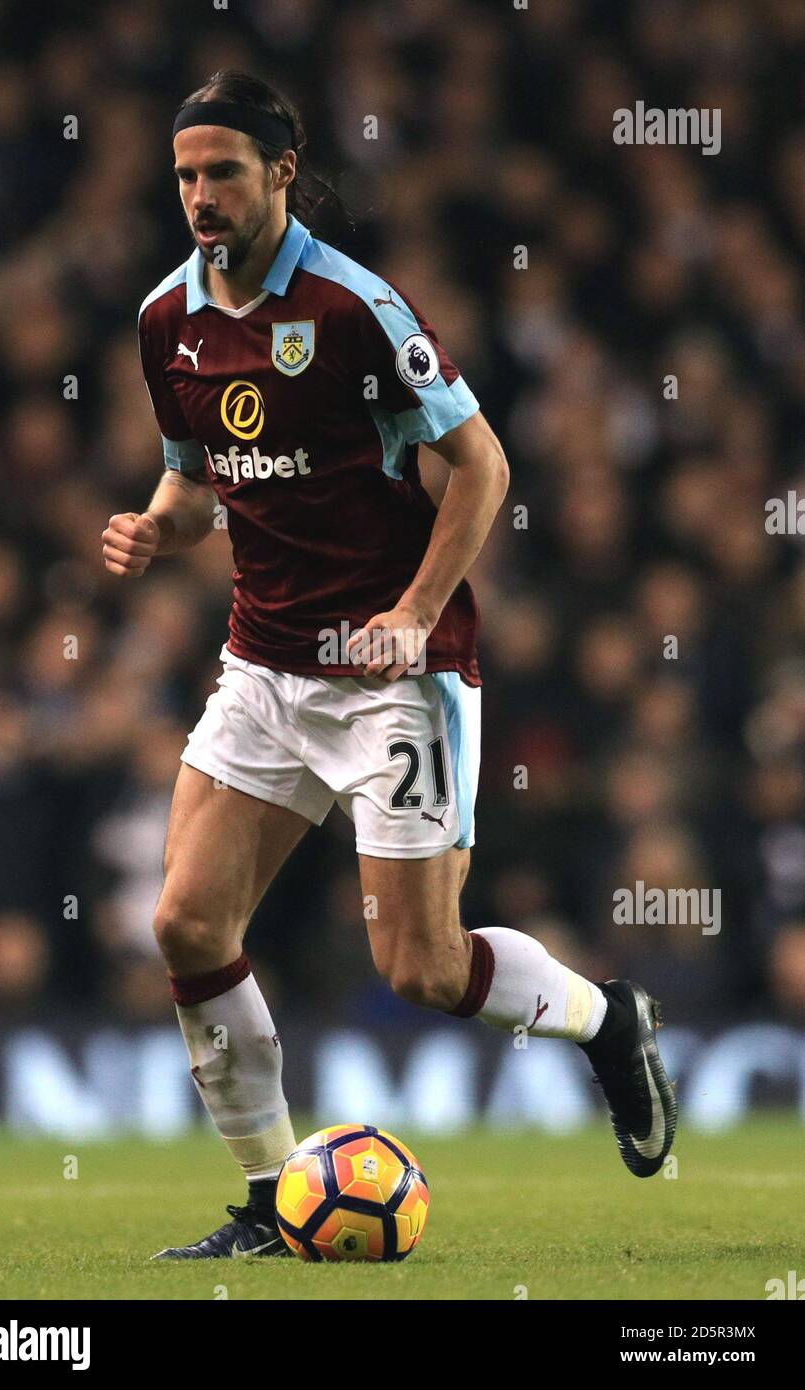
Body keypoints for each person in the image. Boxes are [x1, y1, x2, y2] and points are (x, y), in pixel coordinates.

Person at [102, 71, 677, 1260]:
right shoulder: (167, 317)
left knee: (419, 966)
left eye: (221, 173)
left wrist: (415, 610)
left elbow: (482, 468)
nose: (200, 198)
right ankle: (271, 1200)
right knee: (186, 927)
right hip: (263, 665)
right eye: (185, 177)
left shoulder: (356, 307)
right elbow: (193, 466)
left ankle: (604, 1018)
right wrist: (164, 522)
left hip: (389, 672)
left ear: (281, 168)